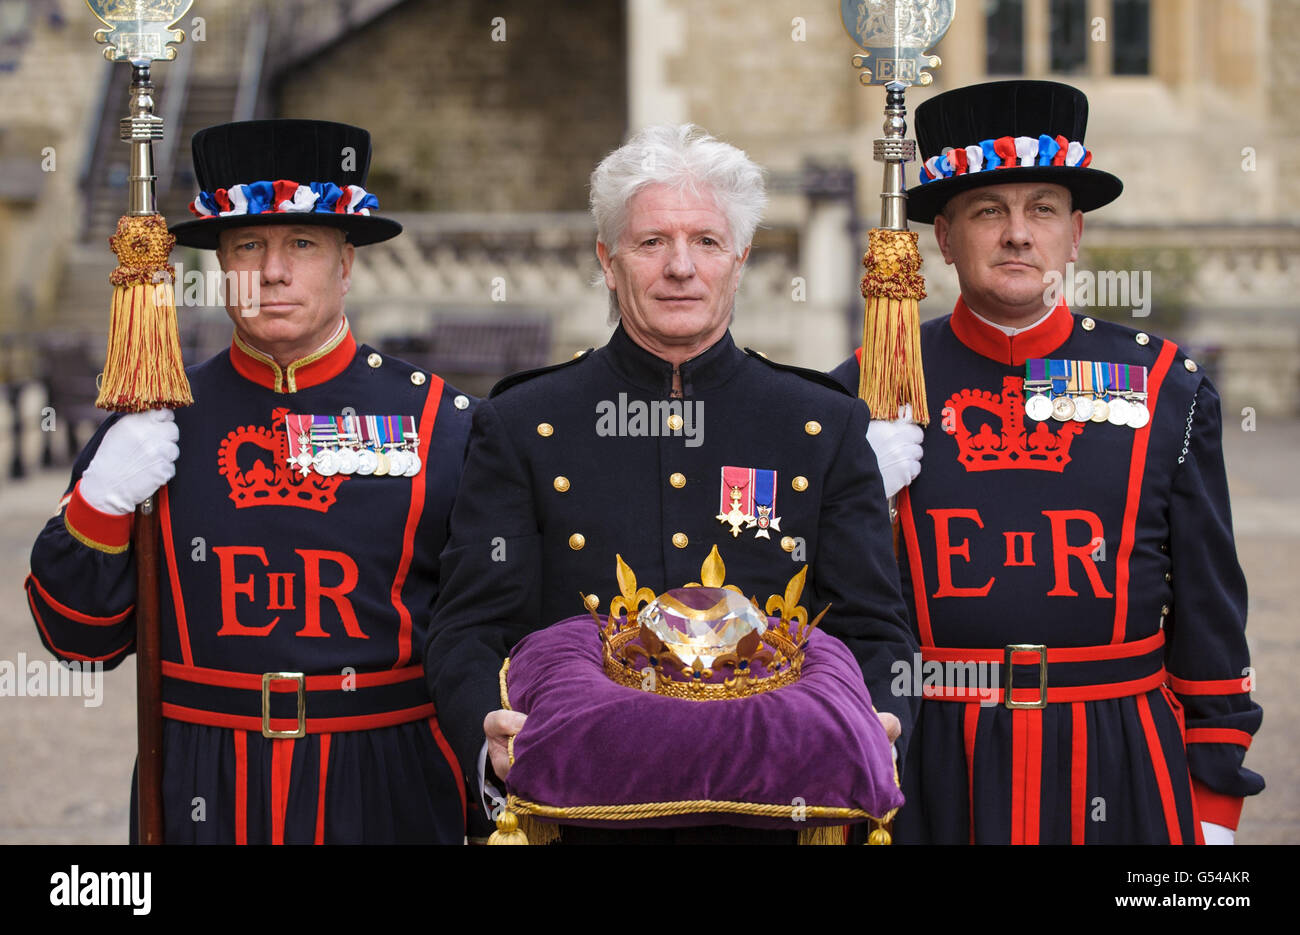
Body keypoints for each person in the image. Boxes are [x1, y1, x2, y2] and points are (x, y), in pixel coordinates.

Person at [426, 124, 917, 841]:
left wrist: (877, 723)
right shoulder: (526, 421)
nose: (680, 267)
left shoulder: (819, 423)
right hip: (583, 813)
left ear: (740, 260)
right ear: (608, 259)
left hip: (779, 814)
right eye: (652, 241)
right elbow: (467, 628)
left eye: (707, 242)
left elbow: (876, 628)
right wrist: (489, 730)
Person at [832, 80, 1264, 844]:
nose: (1018, 234)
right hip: (929, 756)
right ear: (943, 237)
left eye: (1043, 209)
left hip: (1120, 756)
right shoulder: (868, 388)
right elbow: (816, 601)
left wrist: (1215, 794)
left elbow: (1209, 606)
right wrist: (851, 493)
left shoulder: (1168, 386)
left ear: (1075, 234)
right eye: (989, 211)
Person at [26, 119, 475, 844]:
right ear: (219, 265)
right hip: (206, 785)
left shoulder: (442, 424)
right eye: (247, 246)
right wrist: (99, 504)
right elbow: (76, 638)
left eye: (302, 243)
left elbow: (490, 636)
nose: (272, 271)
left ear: (346, 263)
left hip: (386, 783)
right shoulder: (153, 425)